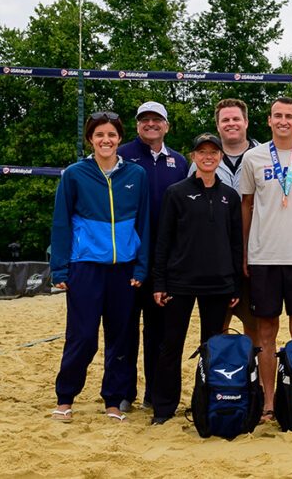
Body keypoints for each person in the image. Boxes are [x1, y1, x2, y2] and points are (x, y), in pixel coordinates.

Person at [49, 111, 149, 422]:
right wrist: (60, 269)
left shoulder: (136, 175)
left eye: (112, 135)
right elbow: (61, 224)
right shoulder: (75, 174)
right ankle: (65, 398)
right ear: (90, 139)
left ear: (120, 139)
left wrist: (141, 268)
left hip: (124, 270)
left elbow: (145, 225)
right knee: (82, 336)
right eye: (99, 135)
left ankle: (113, 401)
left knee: (120, 337)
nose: (106, 140)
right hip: (86, 267)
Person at [239, 96, 292, 423]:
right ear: (269, 121)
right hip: (264, 257)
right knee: (266, 333)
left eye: (290, 116)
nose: (284, 121)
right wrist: (245, 251)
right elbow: (247, 205)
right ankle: (269, 401)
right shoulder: (253, 157)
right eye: (278, 116)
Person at [150, 133, 242, 425]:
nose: (207, 157)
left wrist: (235, 283)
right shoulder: (176, 192)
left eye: (213, 152)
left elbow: (236, 244)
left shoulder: (230, 195)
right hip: (180, 282)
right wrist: (160, 282)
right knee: (171, 346)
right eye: (201, 152)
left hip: (218, 284)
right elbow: (163, 240)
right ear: (193, 156)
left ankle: (208, 402)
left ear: (219, 158)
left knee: (211, 348)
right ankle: (163, 408)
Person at [117, 101, 188, 412]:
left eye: (156, 120)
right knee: (124, 328)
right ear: (137, 126)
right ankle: (123, 392)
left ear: (166, 126)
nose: (150, 124)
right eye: (144, 120)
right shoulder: (122, 156)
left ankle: (153, 394)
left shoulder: (179, 161)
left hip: (165, 261)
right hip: (129, 256)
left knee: (159, 332)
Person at [187, 98, 260, 334]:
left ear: (246, 122)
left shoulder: (265, 156)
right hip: (216, 259)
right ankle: (218, 371)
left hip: (257, 253)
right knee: (216, 328)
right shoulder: (202, 159)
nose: (231, 123)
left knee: (256, 326)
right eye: (225, 120)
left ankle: (253, 371)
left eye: (236, 118)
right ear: (218, 125)